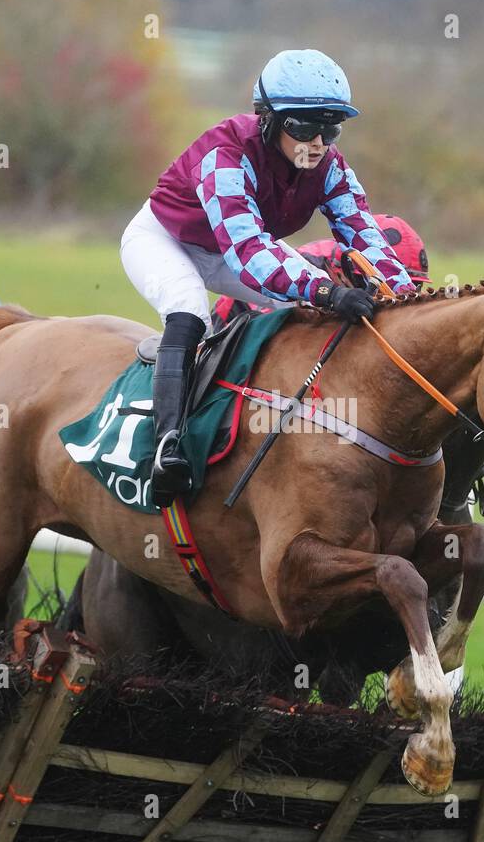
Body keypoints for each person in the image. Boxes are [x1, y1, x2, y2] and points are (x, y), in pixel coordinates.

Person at [119, 49, 417, 507]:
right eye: (303, 127)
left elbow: (365, 236)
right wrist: (326, 289)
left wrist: (408, 301)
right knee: (188, 310)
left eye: (330, 127)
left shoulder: (330, 167)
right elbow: (251, 252)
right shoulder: (225, 154)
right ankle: (167, 446)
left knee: (306, 313)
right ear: (267, 120)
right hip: (167, 241)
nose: (317, 142)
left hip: (233, 251)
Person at [211, 213, 431, 329]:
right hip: (233, 317)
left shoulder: (346, 263)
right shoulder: (310, 267)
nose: (400, 296)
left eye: (416, 286)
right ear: (356, 272)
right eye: (389, 283)